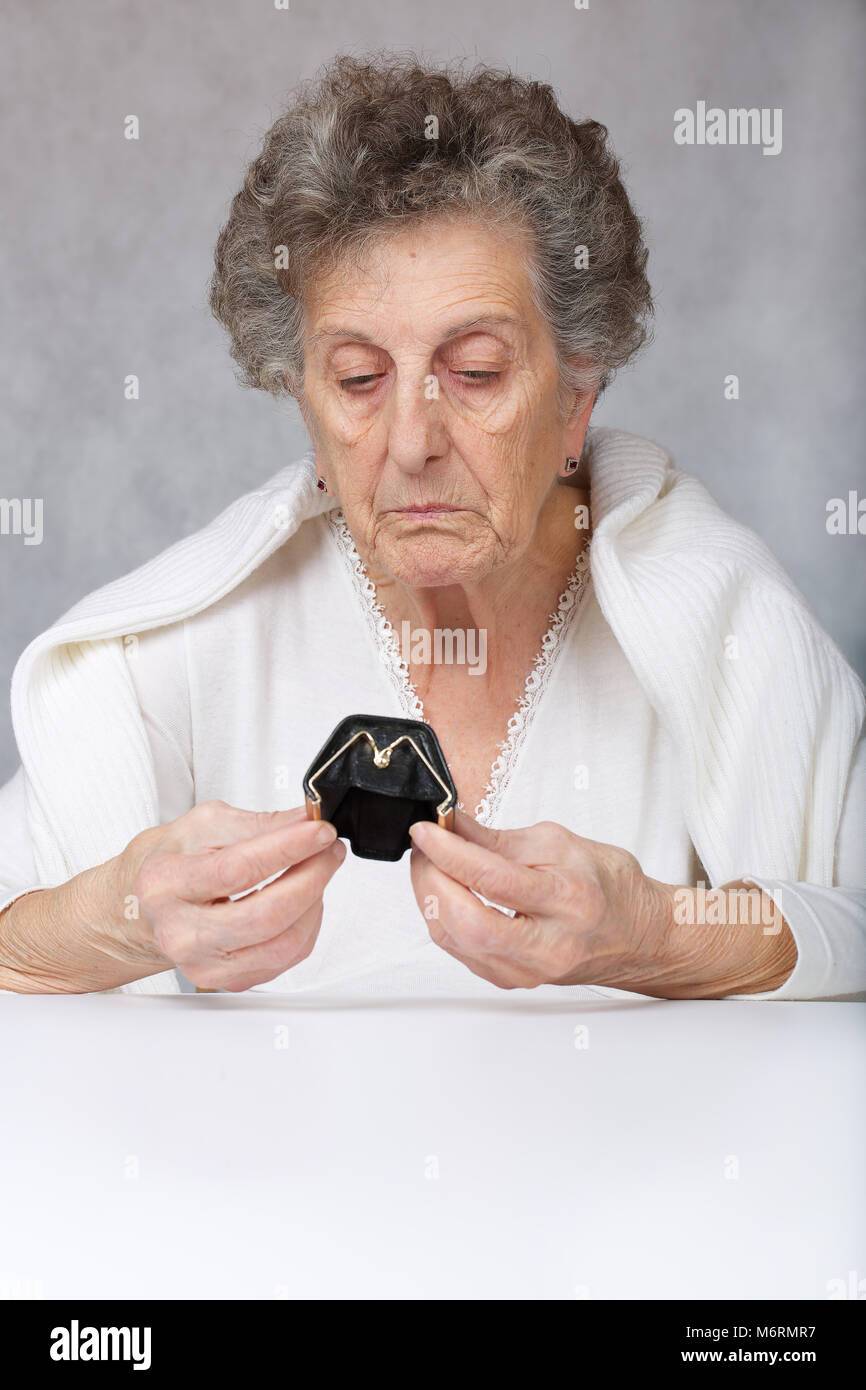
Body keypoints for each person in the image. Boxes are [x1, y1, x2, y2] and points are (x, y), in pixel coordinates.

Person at [0, 55, 863, 1001]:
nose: (412, 441)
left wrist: (661, 933)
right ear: (306, 407)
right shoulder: (172, 652)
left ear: (578, 397)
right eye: (361, 380)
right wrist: (117, 919)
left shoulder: (724, 625)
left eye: (478, 371)